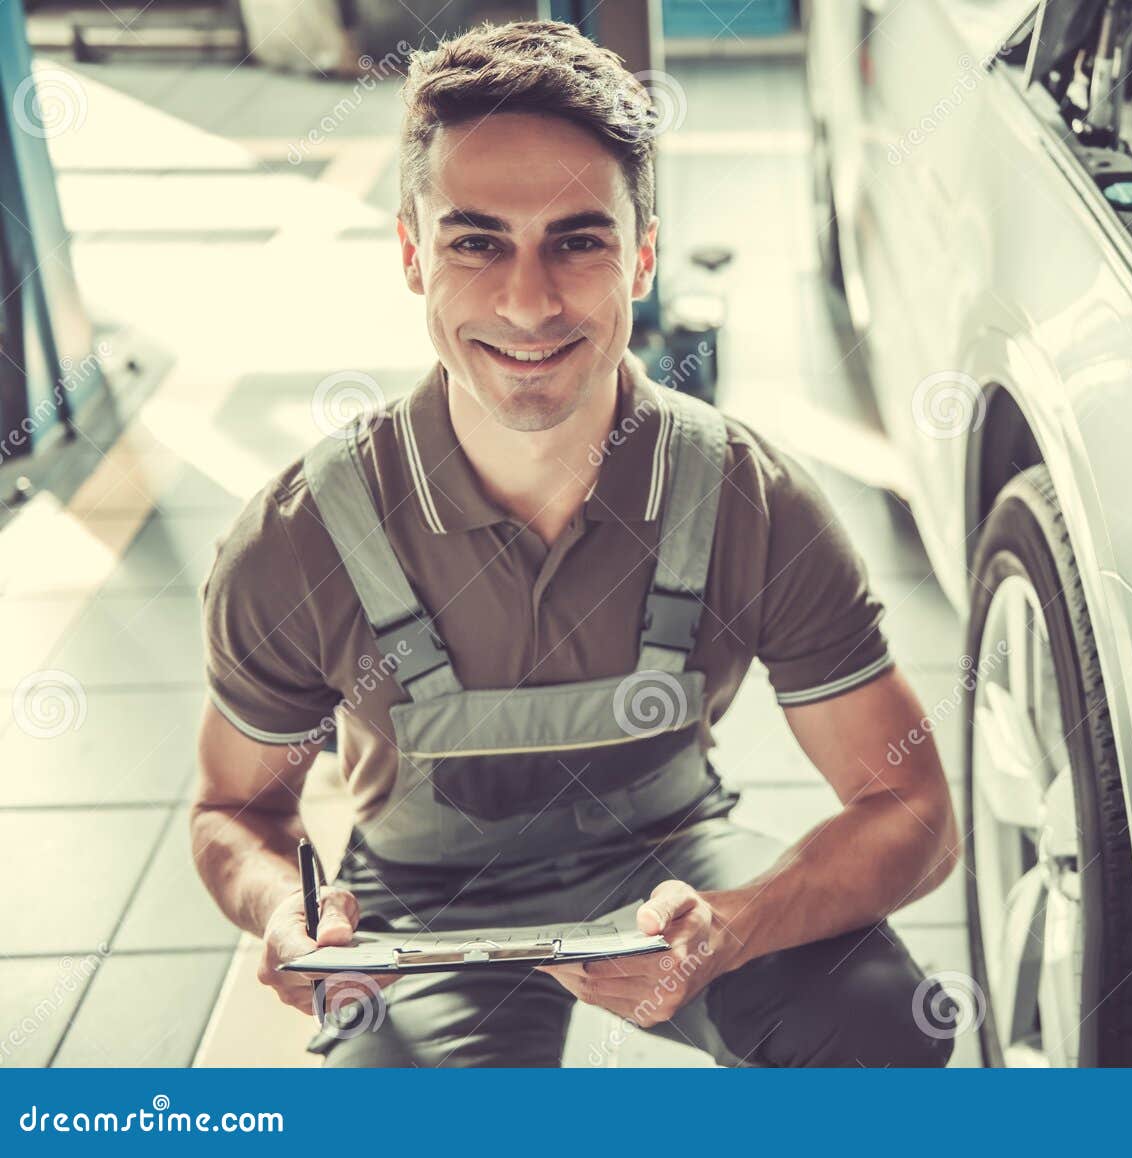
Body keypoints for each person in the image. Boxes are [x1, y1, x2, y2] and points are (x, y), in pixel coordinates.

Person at [191, 20, 959, 1068]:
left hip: (667, 867)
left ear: (640, 255)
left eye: (577, 239)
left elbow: (909, 807)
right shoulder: (301, 537)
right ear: (413, 254)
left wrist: (734, 924)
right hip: (417, 913)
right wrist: (284, 910)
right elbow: (234, 807)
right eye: (476, 241)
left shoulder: (747, 498)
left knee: (872, 1024)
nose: (528, 300)